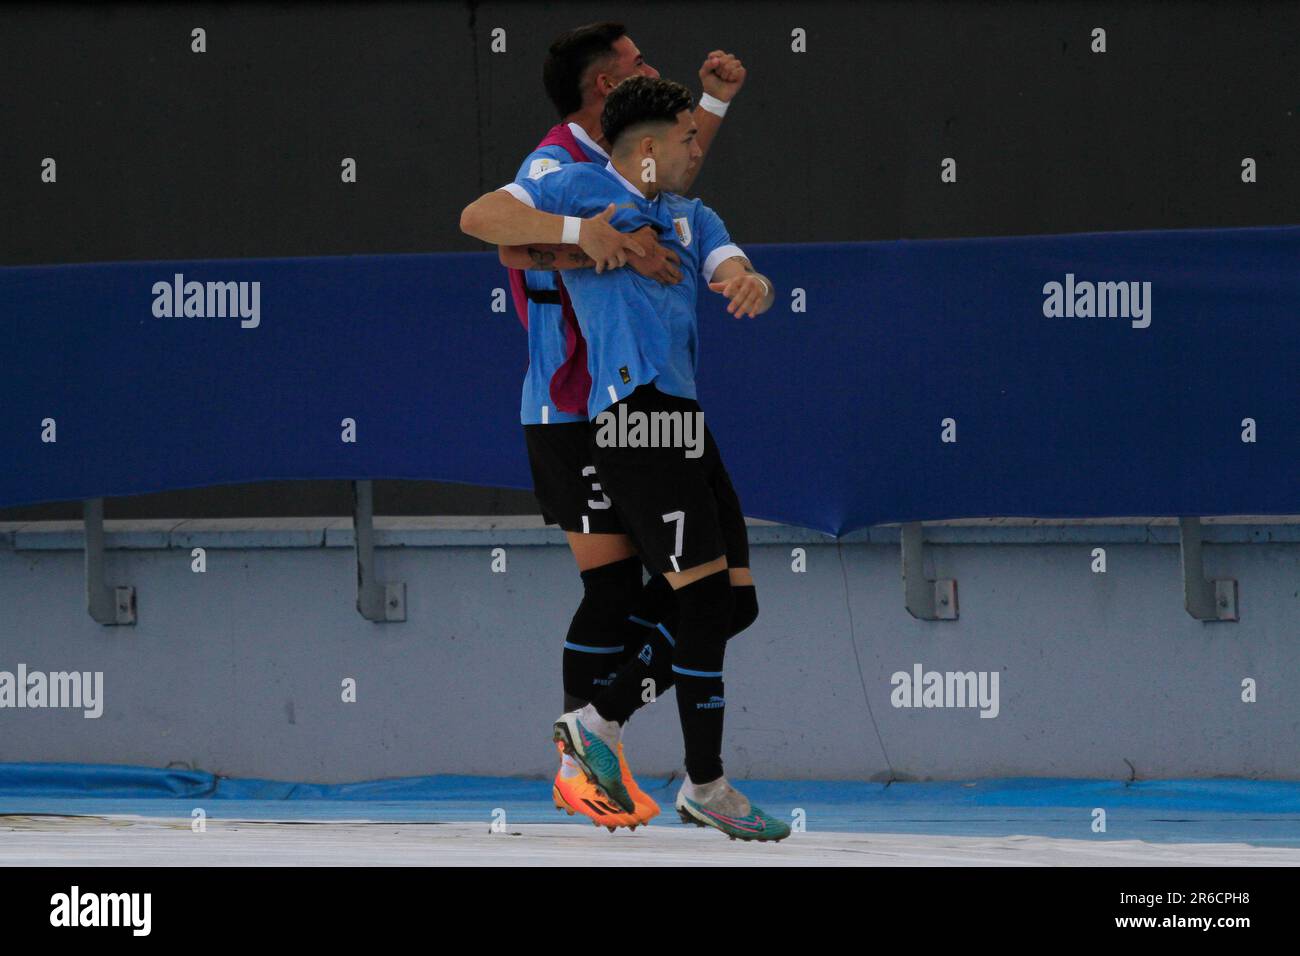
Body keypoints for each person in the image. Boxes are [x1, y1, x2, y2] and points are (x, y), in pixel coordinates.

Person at [461, 76, 788, 841]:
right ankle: (697, 780)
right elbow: (484, 220)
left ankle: (600, 721)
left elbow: (732, 268)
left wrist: (753, 284)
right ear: (646, 149)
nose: (696, 148)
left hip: (685, 424)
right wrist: (586, 239)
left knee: (732, 604)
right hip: (632, 418)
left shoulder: (691, 215)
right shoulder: (579, 185)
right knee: (691, 600)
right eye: (686, 137)